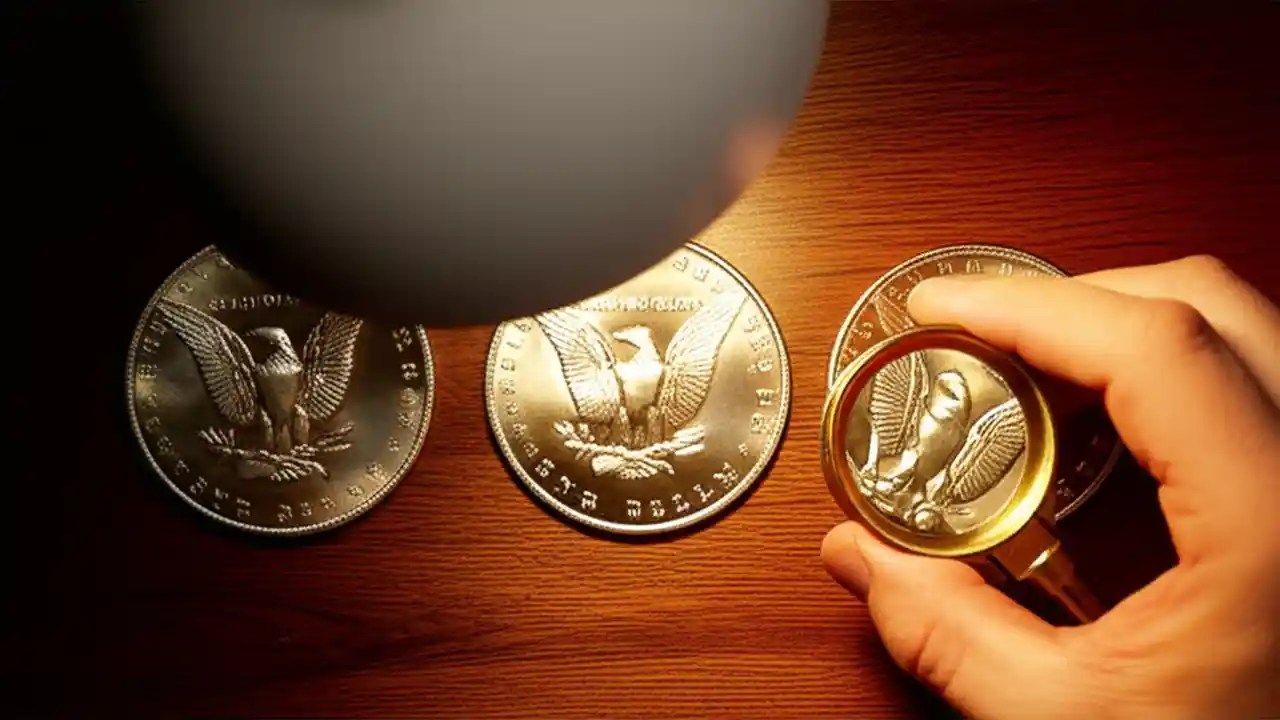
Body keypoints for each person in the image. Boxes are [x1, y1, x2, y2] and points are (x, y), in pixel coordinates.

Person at [820, 256, 1280, 719]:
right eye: (942, 407)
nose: (943, 415)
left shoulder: (951, 472)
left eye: (951, 411)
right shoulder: (900, 445)